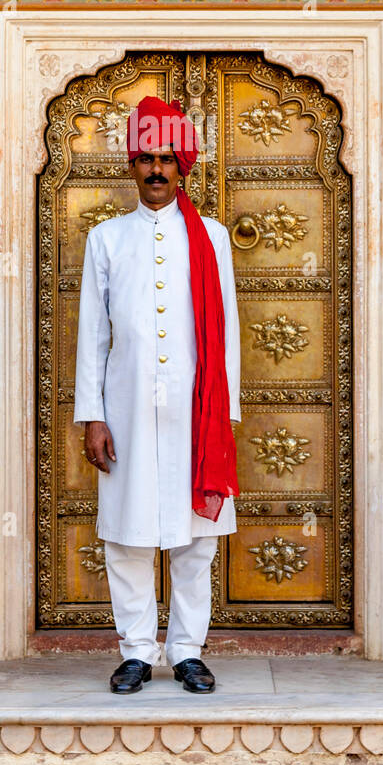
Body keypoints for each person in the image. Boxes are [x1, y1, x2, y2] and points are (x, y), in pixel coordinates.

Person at [73, 95, 240, 694]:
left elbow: (228, 331)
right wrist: (92, 415)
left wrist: (227, 410)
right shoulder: (107, 239)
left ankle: (188, 650)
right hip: (127, 410)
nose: (155, 170)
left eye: (166, 158)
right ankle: (138, 651)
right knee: (128, 535)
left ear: (182, 164)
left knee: (197, 541)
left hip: (197, 412)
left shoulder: (213, 237)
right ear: (131, 164)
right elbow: (93, 331)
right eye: (145, 157)